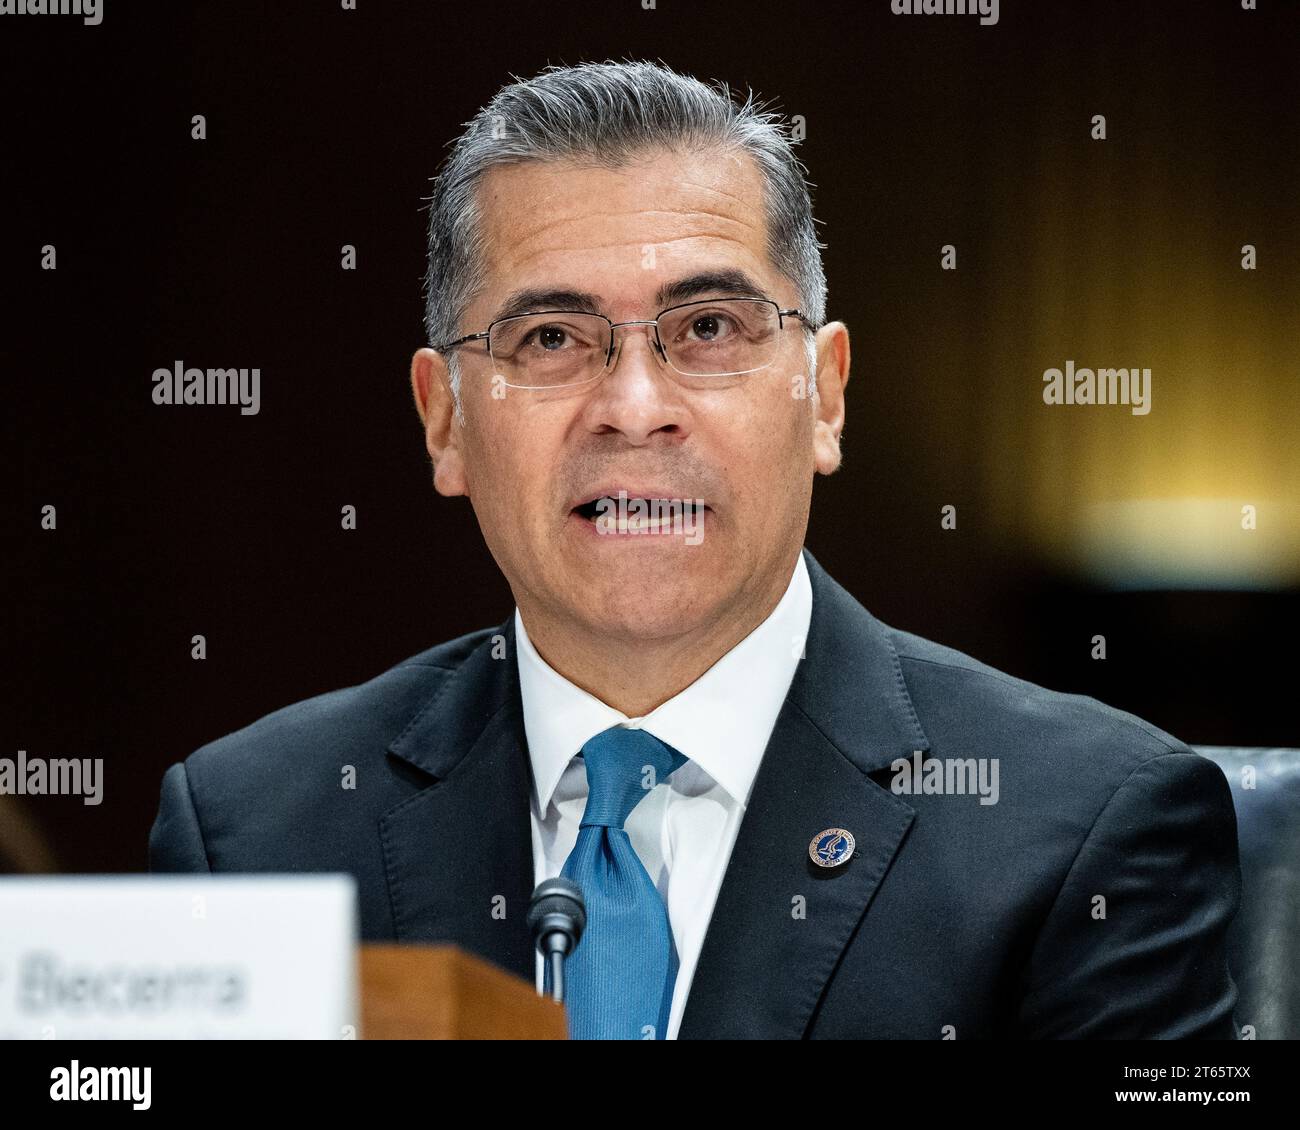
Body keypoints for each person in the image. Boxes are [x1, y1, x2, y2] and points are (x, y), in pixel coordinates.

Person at [150, 59, 1241, 1040]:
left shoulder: (1086, 826)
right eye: (550, 339)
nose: (634, 406)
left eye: (708, 328)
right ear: (445, 423)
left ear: (826, 394)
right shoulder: (254, 832)